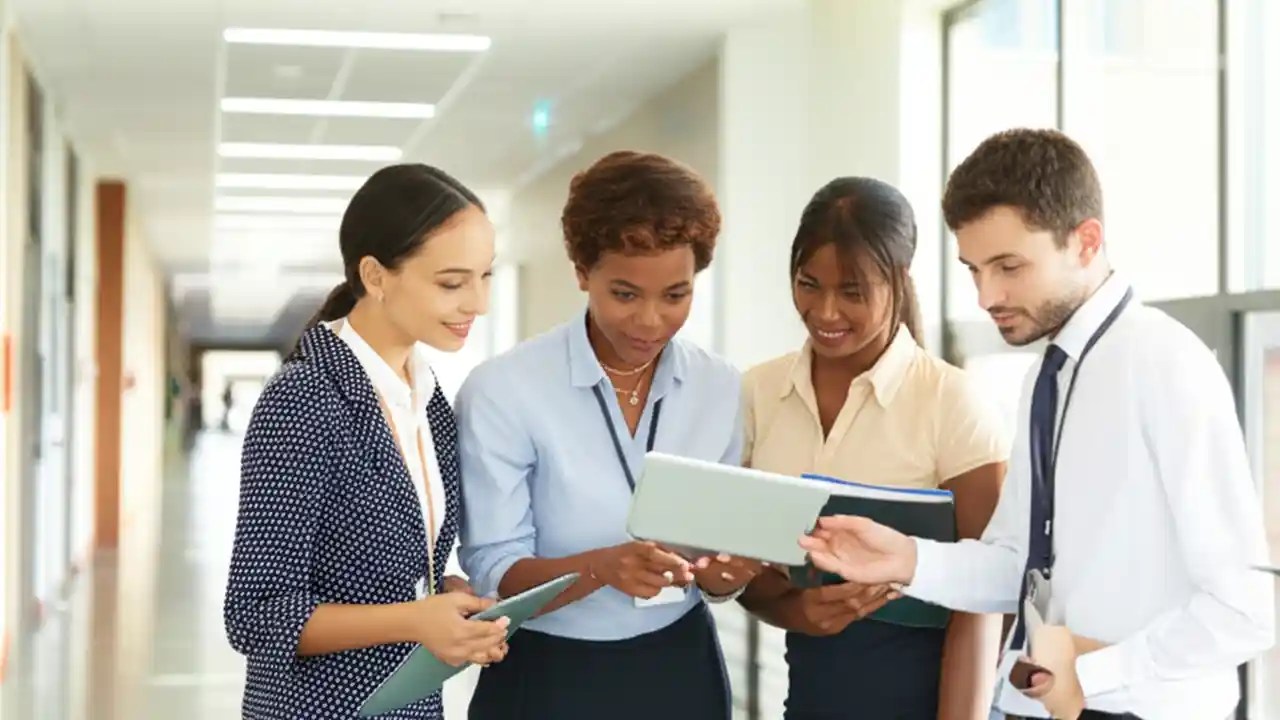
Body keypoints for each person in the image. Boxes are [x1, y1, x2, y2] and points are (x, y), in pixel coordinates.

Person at [797, 129, 1275, 720]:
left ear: (1086, 241)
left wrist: (1088, 673)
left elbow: (1248, 608)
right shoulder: (1048, 377)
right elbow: (1014, 564)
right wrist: (906, 559)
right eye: (974, 269)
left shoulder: (1165, 365)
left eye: (1009, 266)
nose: (986, 295)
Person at [455, 150, 761, 720]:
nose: (650, 322)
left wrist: (723, 578)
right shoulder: (503, 389)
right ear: (581, 271)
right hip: (548, 674)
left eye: (676, 295)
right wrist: (599, 568)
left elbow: (714, 554)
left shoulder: (720, 386)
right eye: (624, 294)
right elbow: (495, 571)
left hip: (680, 666)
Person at [223, 164, 510, 720]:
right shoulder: (305, 399)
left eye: (486, 277)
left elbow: (397, 571)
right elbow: (255, 614)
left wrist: (449, 602)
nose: (478, 303)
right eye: (452, 283)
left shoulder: (429, 401)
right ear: (375, 276)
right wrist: (414, 617)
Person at [737, 177, 1009, 719]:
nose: (825, 312)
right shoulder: (758, 393)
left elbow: (985, 599)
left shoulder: (950, 400)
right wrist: (797, 609)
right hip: (810, 697)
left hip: (930, 697)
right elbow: (744, 571)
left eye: (853, 291)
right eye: (808, 284)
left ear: (899, 280)